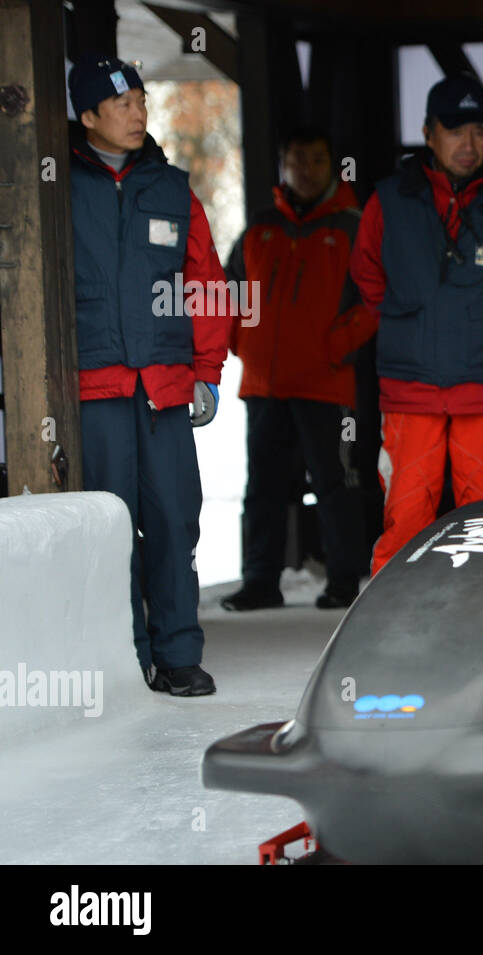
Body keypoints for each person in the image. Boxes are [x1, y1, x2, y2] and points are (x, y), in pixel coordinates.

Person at [67, 53, 228, 696]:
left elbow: (207, 283)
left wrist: (207, 372)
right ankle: (127, 658)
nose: (139, 113)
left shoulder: (170, 186)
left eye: (141, 100)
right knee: (112, 524)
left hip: (164, 384)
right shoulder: (55, 187)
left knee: (173, 516)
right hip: (94, 383)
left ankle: (178, 653)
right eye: (123, 104)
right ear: (88, 117)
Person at [350, 74, 483, 575]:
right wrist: (414, 326)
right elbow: (367, 277)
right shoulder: (389, 200)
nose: (469, 143)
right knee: (405, 520)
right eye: (455, 129)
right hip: (411, 389)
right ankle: (392, 636)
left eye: (479, 131)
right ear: (428, 132)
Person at [220, 126, 376, 612]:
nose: (304, 170)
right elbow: (228, 291)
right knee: (261, 487)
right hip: (265, 383)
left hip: (325, 383)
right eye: (296, 160)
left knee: (334, 484)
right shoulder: (260, 227)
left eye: (315, 160)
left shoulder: (352, 226)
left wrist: (336, 347)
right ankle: (260, 581)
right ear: (283, 166)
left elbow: (376, 298)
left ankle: (343, 579)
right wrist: (240, 344)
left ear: (331, 167)